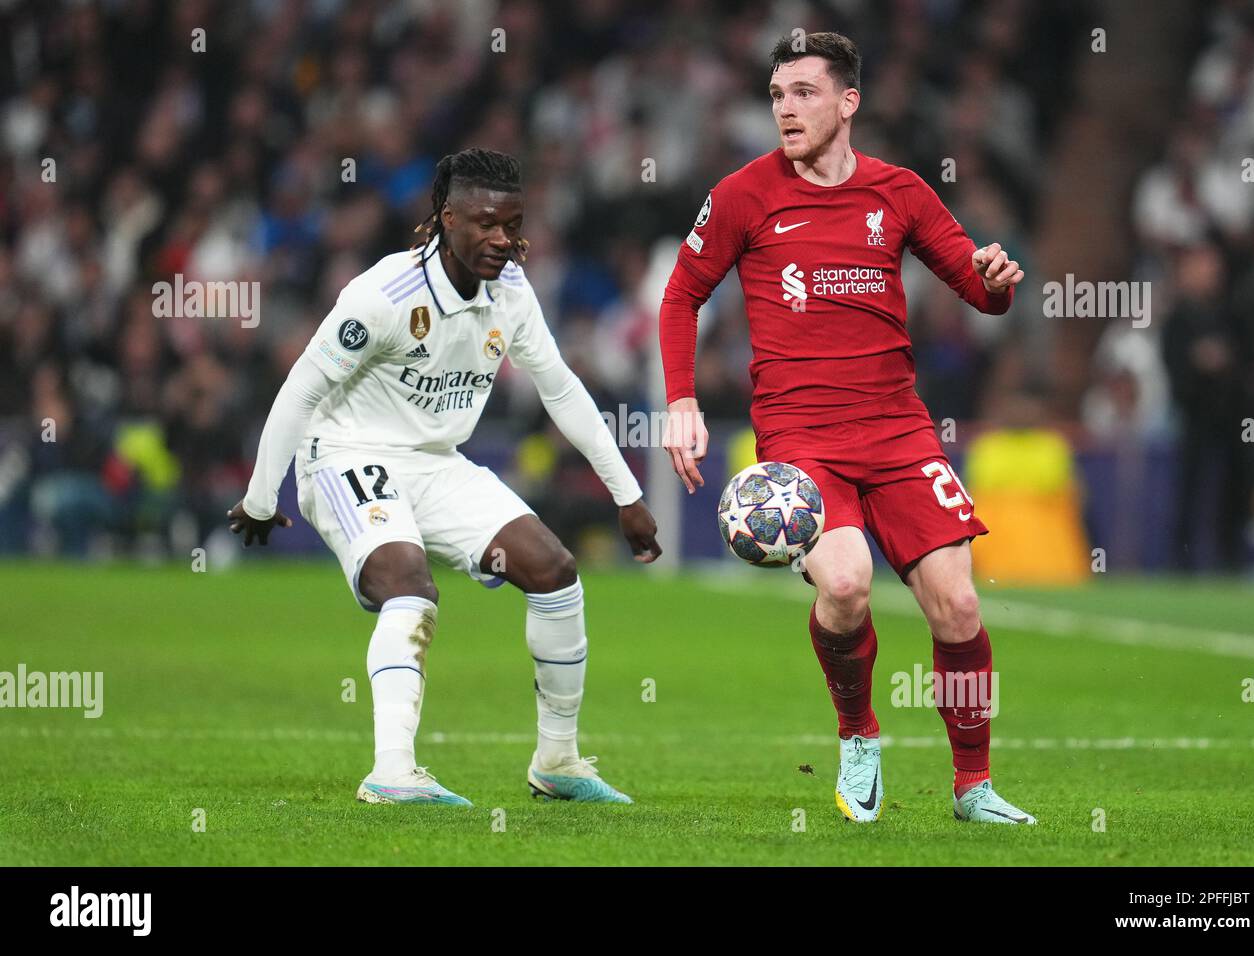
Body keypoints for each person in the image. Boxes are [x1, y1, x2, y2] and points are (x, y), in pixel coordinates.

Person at [659, 33, 1035, 824]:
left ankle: (973, 787)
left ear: (848, 102)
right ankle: (858, 735)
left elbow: (977, 288)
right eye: (776, 95)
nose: (785, 110)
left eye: (803, 93)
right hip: (801, 438)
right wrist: (683, 401)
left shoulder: (898, 193)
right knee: (844, 585)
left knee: (960, 608)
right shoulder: (742, 194)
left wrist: (997, 282)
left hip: (899, 431)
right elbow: (680, 296)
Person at [228, 148, 661, 806]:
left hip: (436, 462)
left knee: (555, 571)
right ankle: (392, 771)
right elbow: (299, 390)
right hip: (347, 453)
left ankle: (558, 761)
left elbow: (562, 390)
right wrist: (263, 497)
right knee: (409, 584)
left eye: (512, 224)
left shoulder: (511, 290)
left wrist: (627, 495)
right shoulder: (384, 294)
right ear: (444, 218)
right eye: (484, 224)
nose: (501, 240)